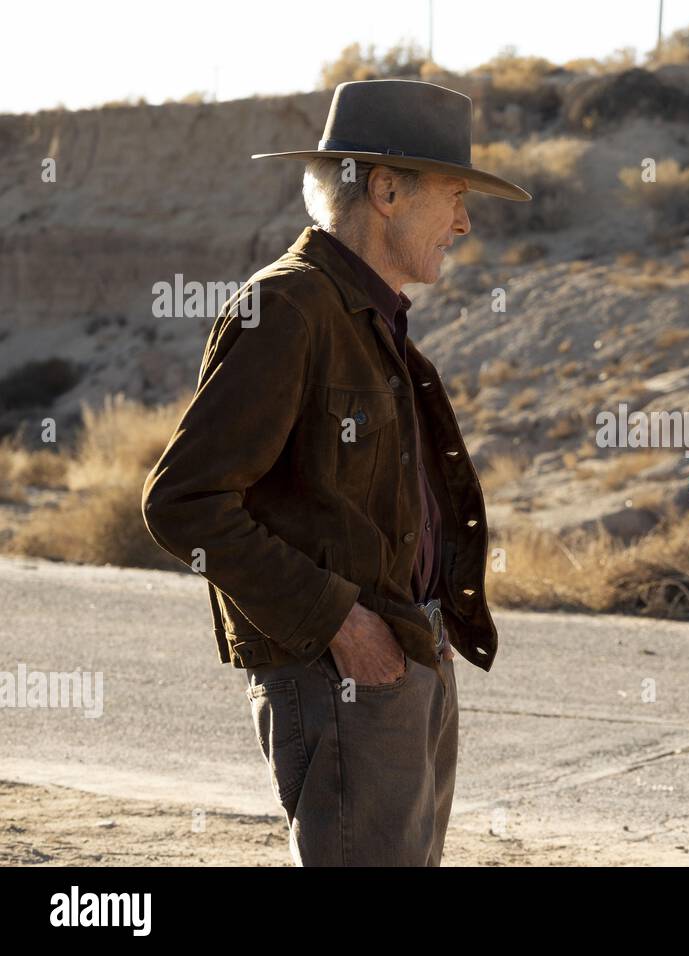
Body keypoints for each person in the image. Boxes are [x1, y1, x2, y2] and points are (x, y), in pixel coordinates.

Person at [142, 79, 530, 865]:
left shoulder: (369, 315)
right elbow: (184, 502)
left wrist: (421, 628)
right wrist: (342, 625)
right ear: (386, 191)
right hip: (341, 671)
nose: (464, 223)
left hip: (405, 654)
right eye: (454, 197)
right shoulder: (289, 308)